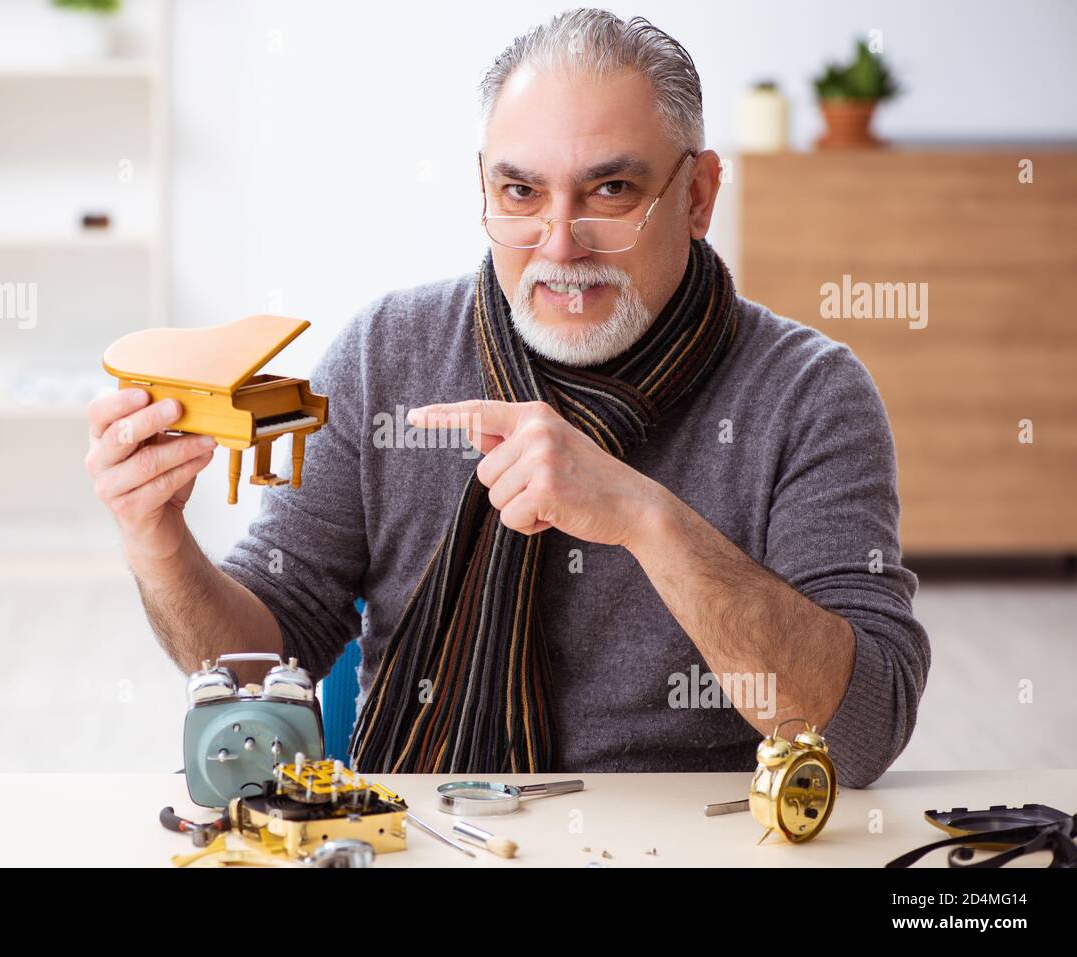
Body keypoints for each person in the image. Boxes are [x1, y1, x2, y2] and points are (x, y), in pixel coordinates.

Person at [84, 9, 930, 787]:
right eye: (521, 193)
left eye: (612, 191)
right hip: (422, 827)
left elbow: (859, 732)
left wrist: (645, 517)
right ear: (485, 188)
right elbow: (266, 659)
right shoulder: (387, 352)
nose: (559, 244)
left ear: (699, 196)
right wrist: (159, 545)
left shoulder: (811, 393)